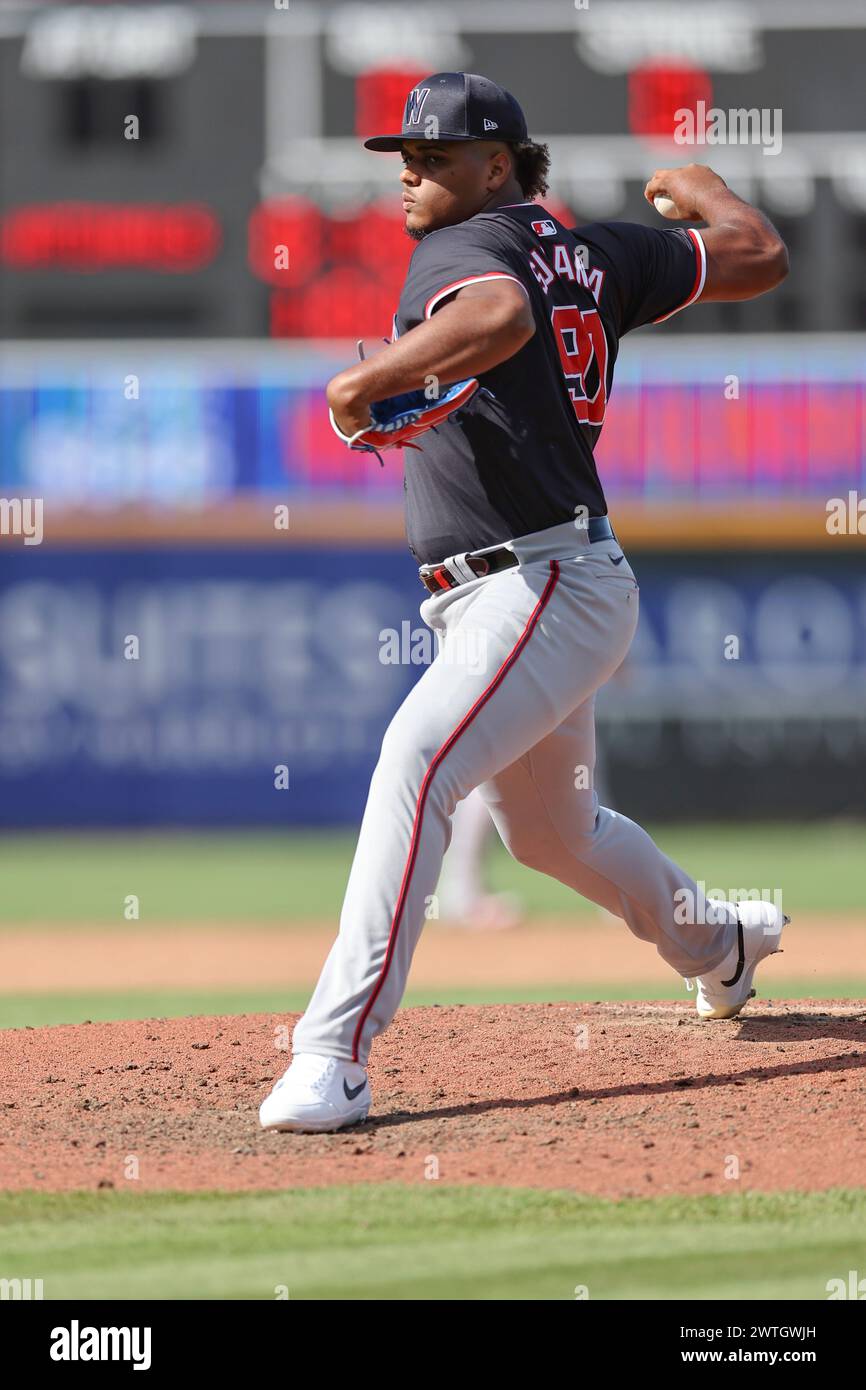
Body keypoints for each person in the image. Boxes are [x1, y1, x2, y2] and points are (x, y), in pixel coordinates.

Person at [260, 72, 789, 1134]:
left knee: (415, 762)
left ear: (495, 166)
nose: (409, 173)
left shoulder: (463, 251)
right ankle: (719, 942)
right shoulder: (596, 253)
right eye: (402, 156)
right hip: (542, 580)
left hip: (535, 580)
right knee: (551, 834)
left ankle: (334, 1054)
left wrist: (357, 385)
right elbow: (756, 256)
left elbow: (496, 314)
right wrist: (708, 189)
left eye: (435, 157)